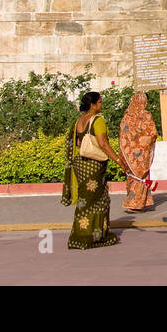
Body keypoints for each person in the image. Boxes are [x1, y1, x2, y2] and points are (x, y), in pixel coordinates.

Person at [62, 92, 128, 250]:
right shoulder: (97, 120)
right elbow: (103, 144)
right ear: (92, 105)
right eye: (99, 102)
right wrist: (119, 160)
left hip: (80, 164)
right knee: (99, 200)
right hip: (94, 165)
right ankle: (95, 237)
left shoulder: (79, 120)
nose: (101, 105)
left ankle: (78, 237)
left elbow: (78, 142)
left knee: (84, 200)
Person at [119, 93, 157, 213]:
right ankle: (137, 203)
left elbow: (122, 134)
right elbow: (153, 133)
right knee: (141, 176)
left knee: (132, 176)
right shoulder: (146, 116)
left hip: (129, 153)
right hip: (142, 153)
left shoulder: (127, 117)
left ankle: (134, 201)